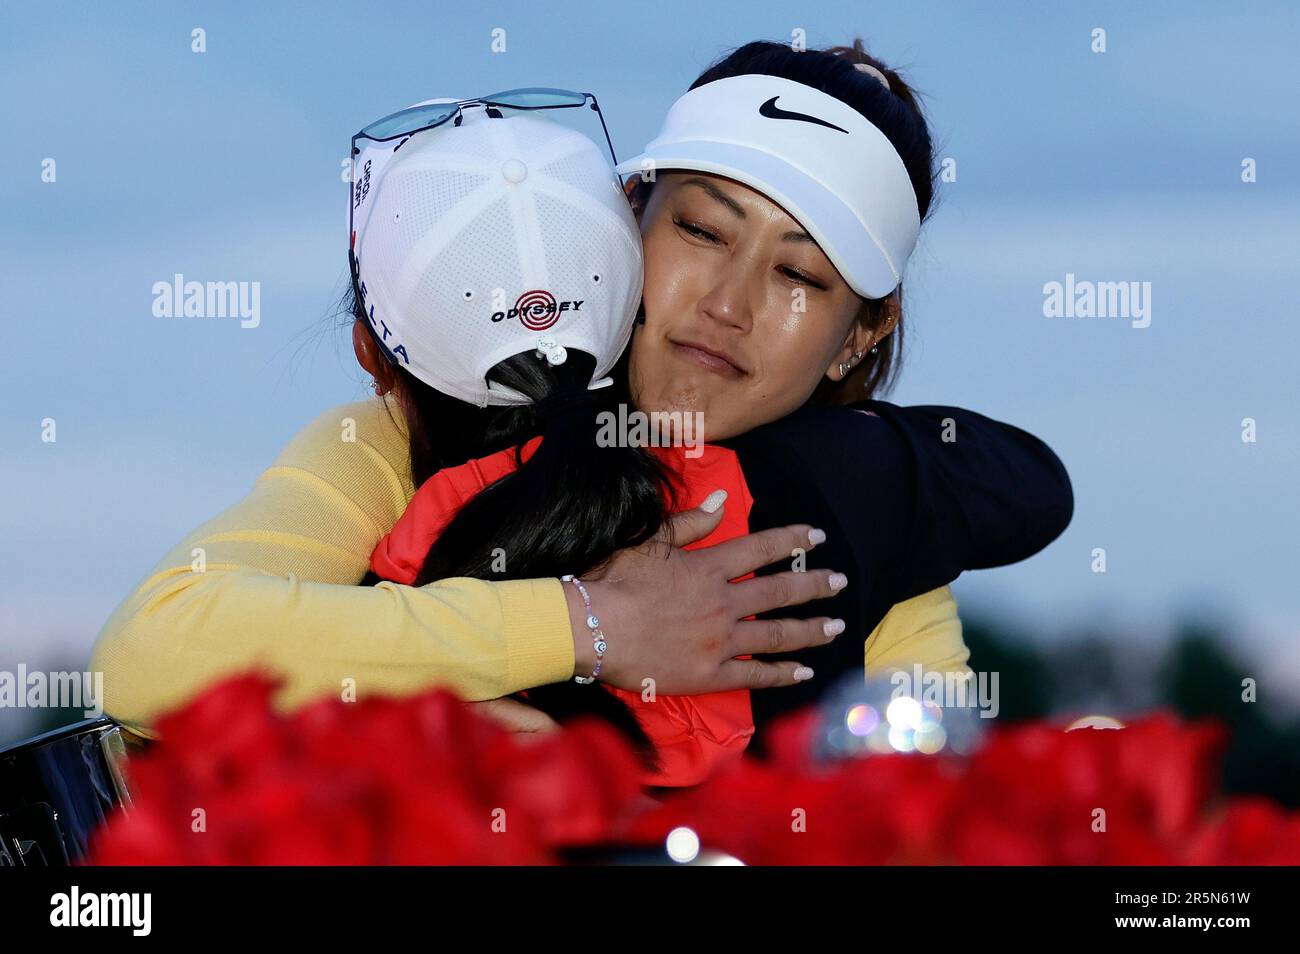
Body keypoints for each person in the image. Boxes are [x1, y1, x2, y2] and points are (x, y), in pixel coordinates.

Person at [88, 40, 1071, 745]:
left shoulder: (880, 518)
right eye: (702, 231)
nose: (727, 305)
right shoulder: (395, 436)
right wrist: (581, 628)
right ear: (627, 219)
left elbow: (929, 819)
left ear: (859, 333)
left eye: (798, 276)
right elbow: (149, 654)